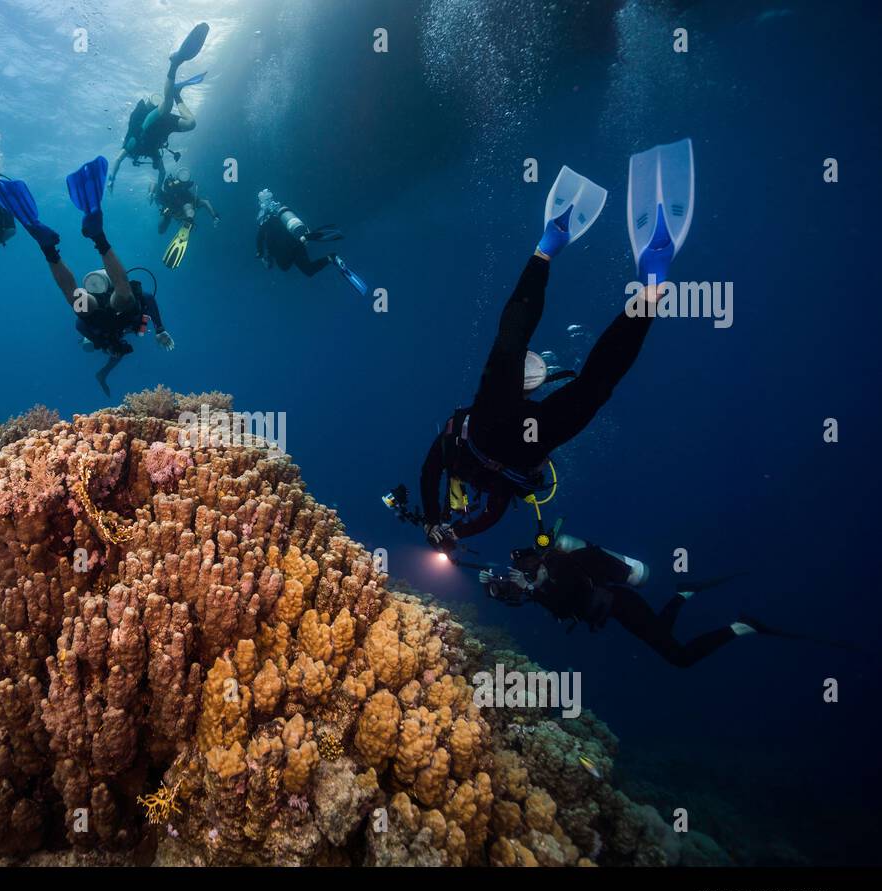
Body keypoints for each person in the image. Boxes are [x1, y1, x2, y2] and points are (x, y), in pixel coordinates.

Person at [418, 146, 695, 554]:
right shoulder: (452, 448)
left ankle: (645, 288)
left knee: (590, 387)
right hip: (516, 438)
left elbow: (436, 480)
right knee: (525, 354)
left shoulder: (451, 450)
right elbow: (461, 493)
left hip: (507, 437)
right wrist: (446, 528)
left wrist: (436, 522)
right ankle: (552, 251)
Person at [0, 156, 174, 396]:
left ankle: (59, 244)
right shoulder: (117, 335)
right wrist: (159, 329)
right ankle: (80, 239)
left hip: (98, 309)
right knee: (112, 295)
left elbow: (82, 326)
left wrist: (108, 343)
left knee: (89, 299)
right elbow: (147, 297)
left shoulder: (102, 338)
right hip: (108, 304)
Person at [479, 538, 781, 668]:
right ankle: (683, 593)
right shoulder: (547, 580)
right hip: (620, 609)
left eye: (534, 572)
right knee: (662, 631)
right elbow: (544, 600)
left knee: (679, 657)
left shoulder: (564, 569)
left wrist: (530, 588)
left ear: (541, 562)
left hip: (624, 606)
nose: (534, 577)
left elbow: (560, 604)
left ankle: (740, 627)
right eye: (529, 574)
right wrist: (498, 587)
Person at [108, 23, 209, 192]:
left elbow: (118, 159)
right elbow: (161, 171)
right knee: (191, 123)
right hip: (161, 127)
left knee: (166, 107)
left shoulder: (131, 145)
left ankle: (174, 63)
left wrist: (112, 179)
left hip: (146, 121)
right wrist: (160, 188)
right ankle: (176, 93)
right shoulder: (152, 153)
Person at [255, 189, 367, 295]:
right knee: (308, 270)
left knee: (287, 266)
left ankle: (315, 245)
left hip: (291, 247)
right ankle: (331, 257)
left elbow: (259, 239)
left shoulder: (265, 225)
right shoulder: (276, 219)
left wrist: (260, 254)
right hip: (296, 242)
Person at [151, 167, 218, 269]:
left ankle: (188, 222)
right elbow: (154, 184)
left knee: (185, 210)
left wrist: (214, 216)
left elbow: (204, 202)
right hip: (172, 212)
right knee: (162, 229)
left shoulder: (186, 194)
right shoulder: (171, 188)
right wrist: (150, 193)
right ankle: (188, 222)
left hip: (177, 211)